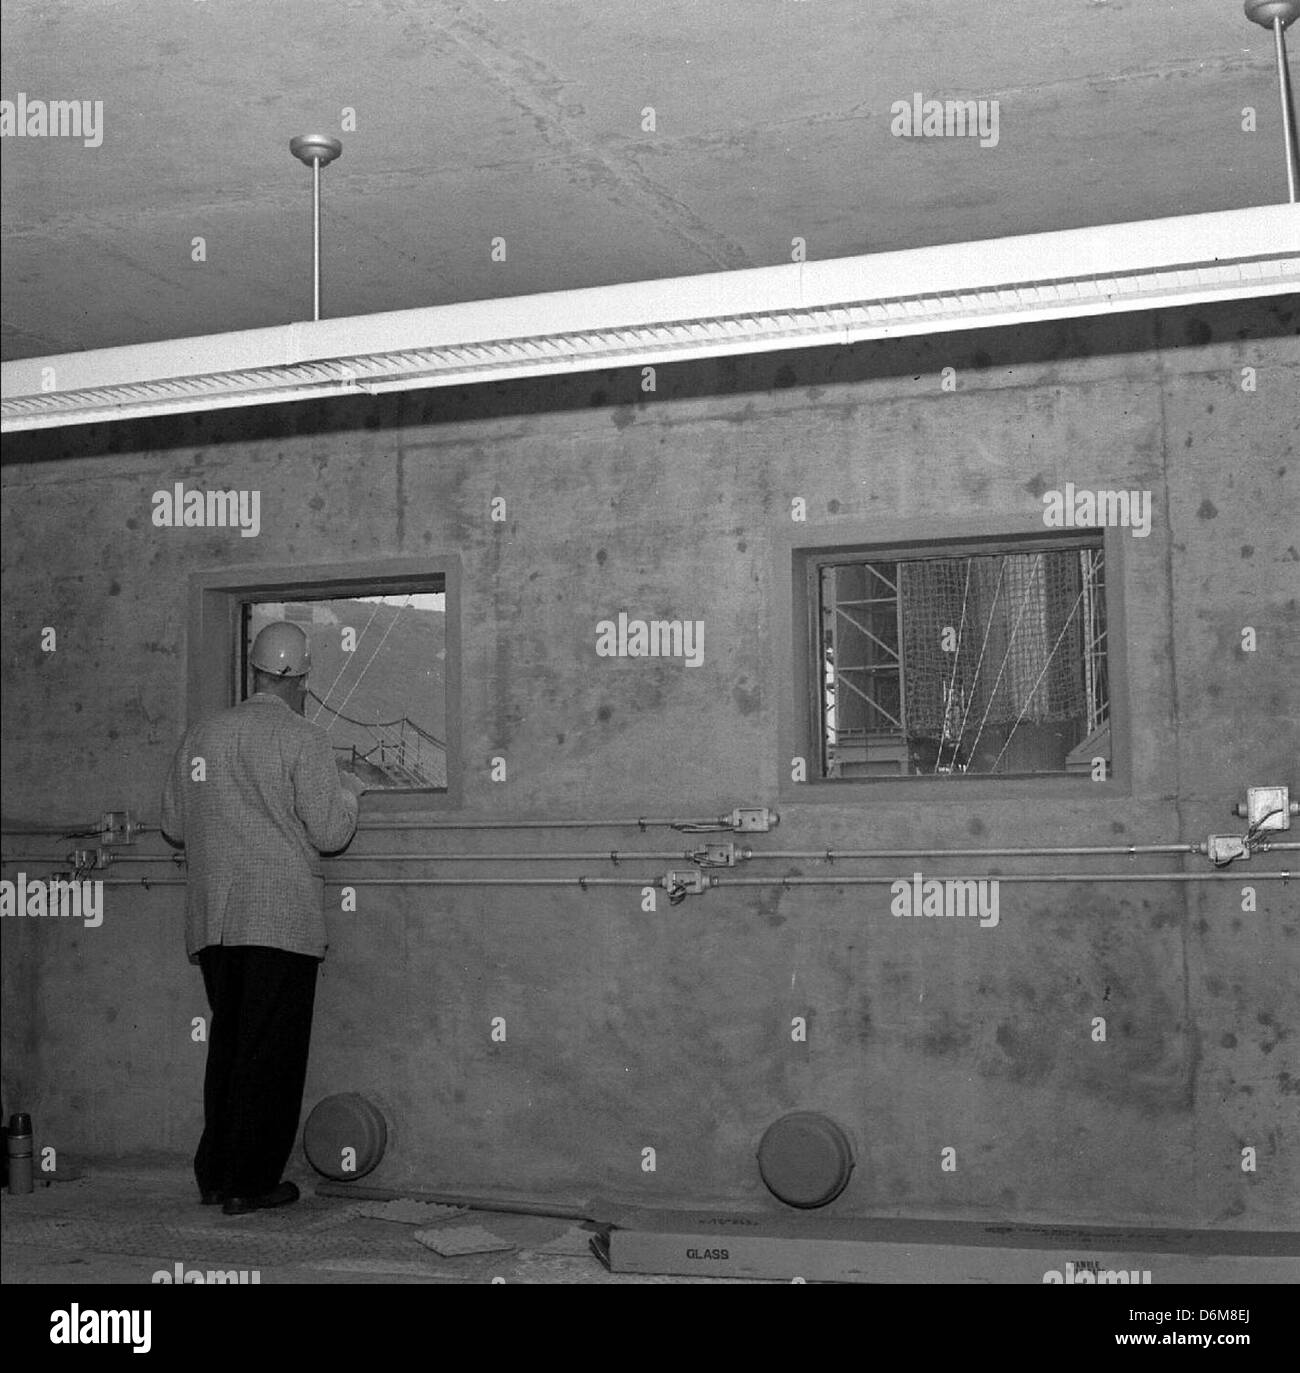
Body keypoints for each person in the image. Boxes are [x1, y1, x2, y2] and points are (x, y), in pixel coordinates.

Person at [160, 620, 366, 1215]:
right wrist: (350, 792)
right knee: (270, 1057)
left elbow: (174, 825)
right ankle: (251, 1184)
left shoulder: (201, 735)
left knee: (228, 1047)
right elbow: (330, 832)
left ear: (253, 671)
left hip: (216, 922)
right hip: (279, 921)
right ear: (301, 678)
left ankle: (216, 1176)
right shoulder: (303, 739)